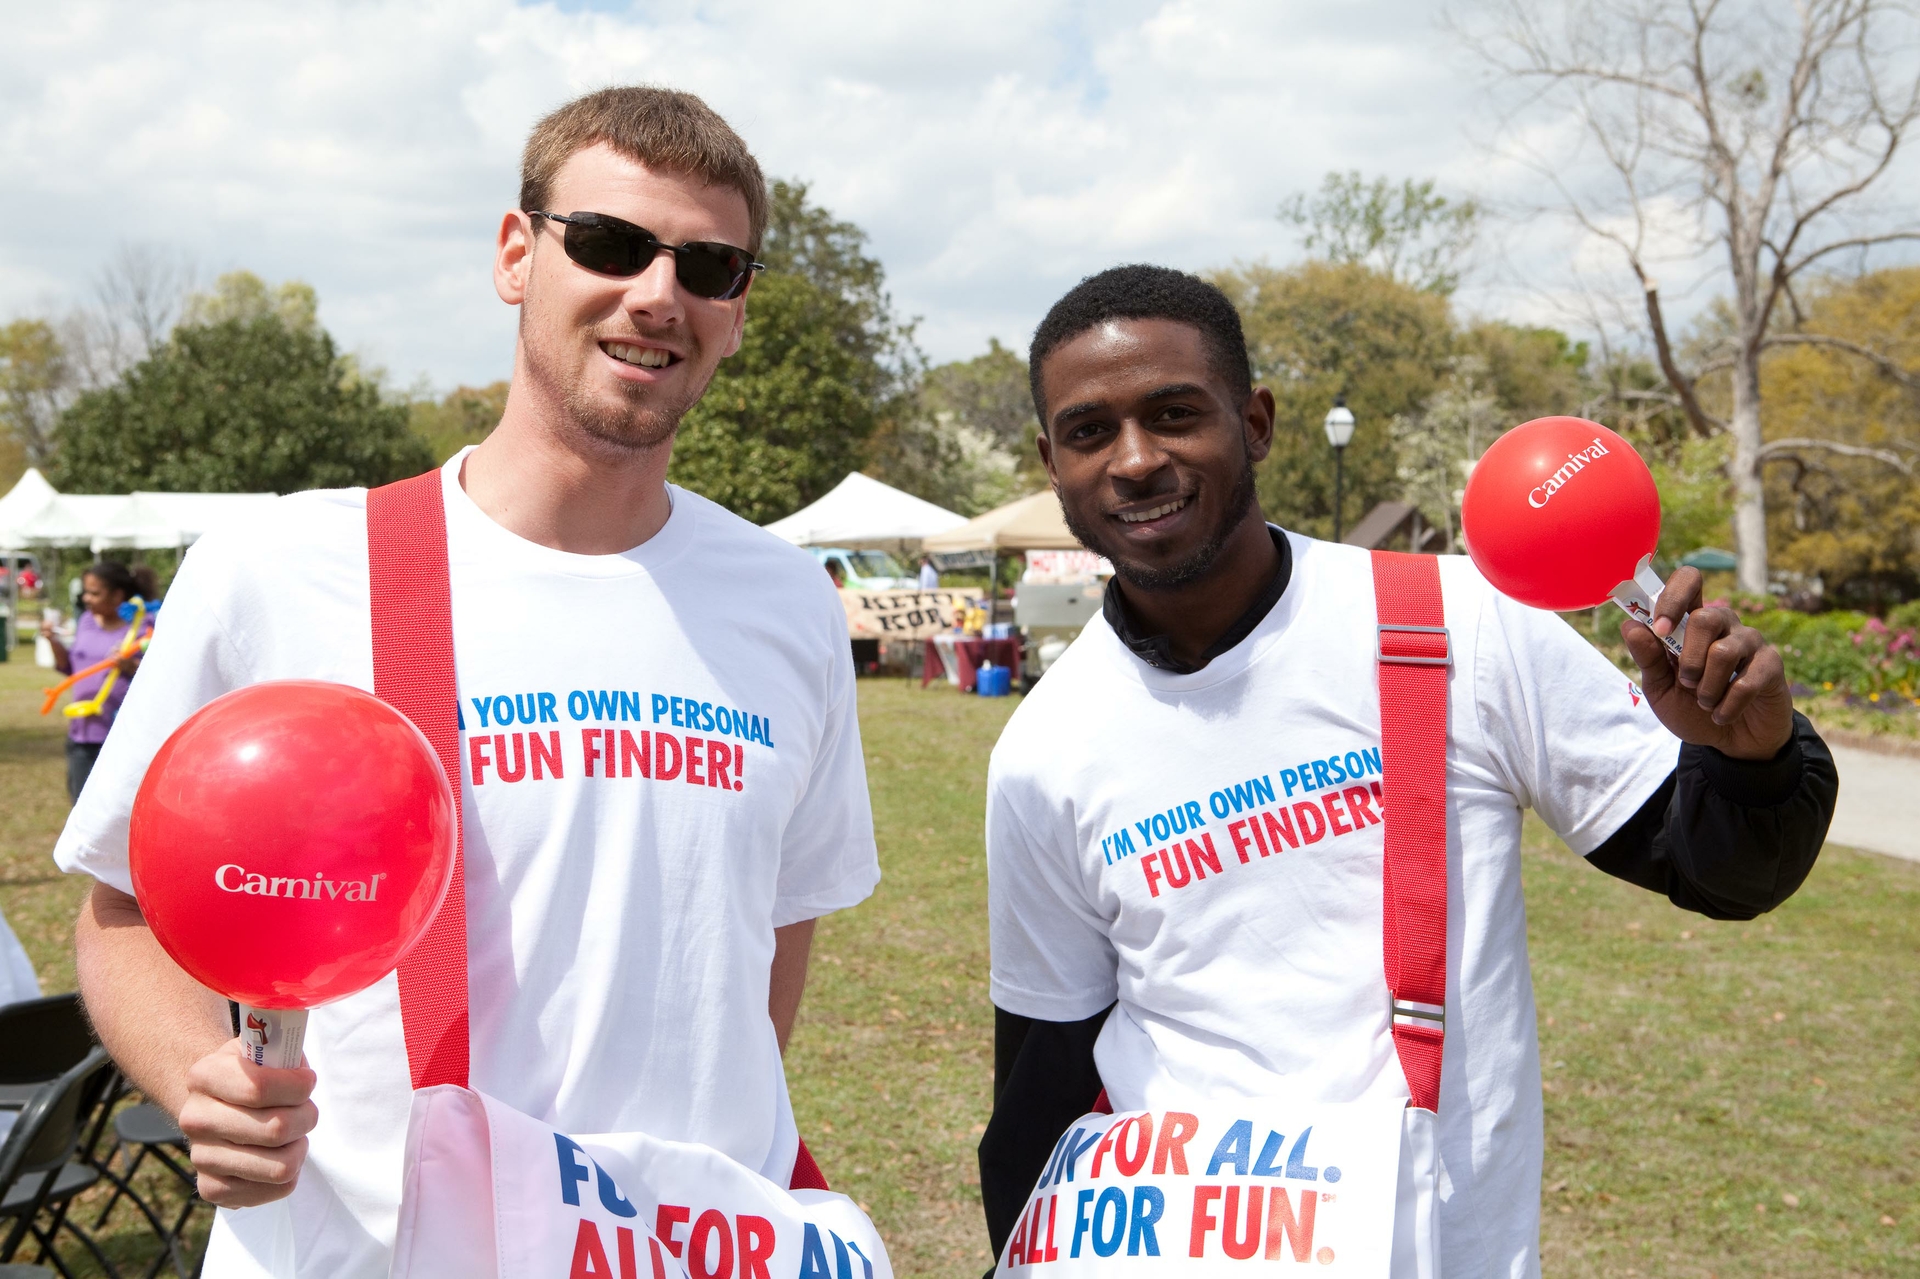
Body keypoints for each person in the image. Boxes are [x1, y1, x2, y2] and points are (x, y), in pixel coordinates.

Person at [56, 87, 879, 1279]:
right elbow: (123, 908)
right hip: (363, 1252)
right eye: (609, 243)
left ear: (738, 309)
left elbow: (767, 936)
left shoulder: (789, 603)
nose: (659, 293)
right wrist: (205, 1081)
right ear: (516, 254)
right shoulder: (285, 571)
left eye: (709, 265)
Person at [976, 265, 1837, 1275]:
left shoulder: (1460, 621)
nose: (1134, 461)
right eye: (1088, 433)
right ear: (1051, 461)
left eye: (1175, 414)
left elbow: (1726, 866)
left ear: (1254, 422)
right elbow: (1040, 1076)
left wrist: (1754, 757)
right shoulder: (1044, 749)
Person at [40, 561, 157, 801]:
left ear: (117, 595)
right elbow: (71, 668)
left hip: (122, 737)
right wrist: (52, 641)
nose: (87, 598)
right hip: (82, 735)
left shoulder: (143, 626)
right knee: (81, 806)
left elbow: (159, 676)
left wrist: (130, 666)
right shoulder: (86, 621)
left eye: (95, 593)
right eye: (86, 592)